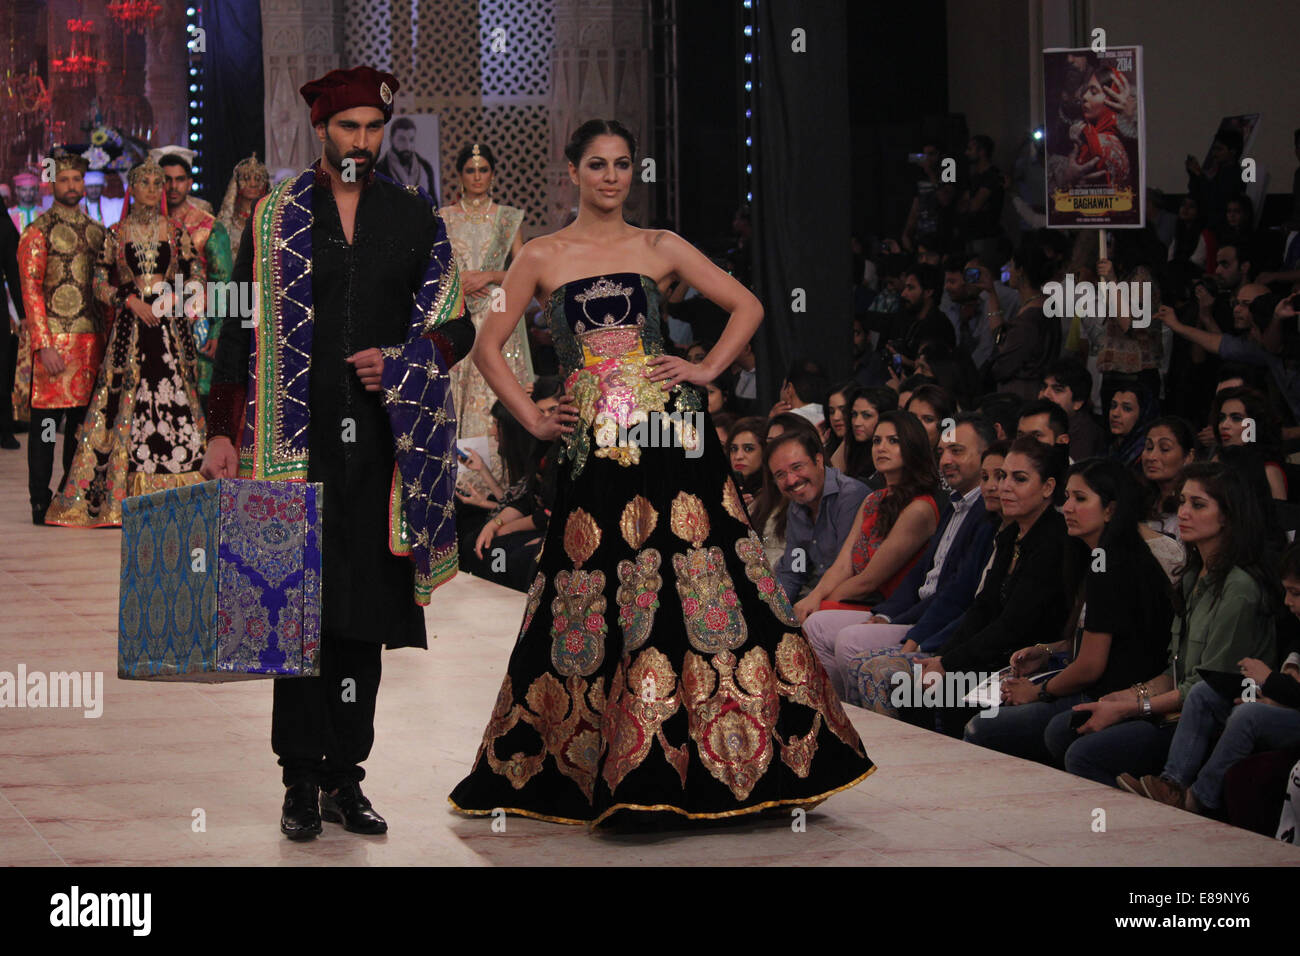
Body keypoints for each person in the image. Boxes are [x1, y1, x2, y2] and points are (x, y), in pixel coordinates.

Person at [448, 119, 873, 826]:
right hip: (596, 448)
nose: (611, 176)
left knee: (703, 584)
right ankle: (617, 763)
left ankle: (728, 758)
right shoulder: (542, 254)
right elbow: (490, 342)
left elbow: (749, 306)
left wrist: (705, 369)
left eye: (622, 165)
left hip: (673, 438)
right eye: (597, 165)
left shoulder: (661, 246)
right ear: (573, 174)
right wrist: (529, 415)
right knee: (598, 590)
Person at [202, 66, 478, 840]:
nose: (361, 140)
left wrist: (405, 360)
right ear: (321, 129)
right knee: (295, 616)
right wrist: (222, 427)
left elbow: (459, 328)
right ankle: (298, 779)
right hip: (293, 446)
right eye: (347, 127)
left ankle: (345, 779)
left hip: (385, 452)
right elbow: (237, 327)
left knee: (361, 618)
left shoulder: (412, 217)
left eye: (373, 128)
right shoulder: (276, 219)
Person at [1052, 463, 1277, 787]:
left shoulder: (1239, 588)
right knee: (1065, 728)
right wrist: (1129, 696)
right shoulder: (1192, 576)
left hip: (1206, 724)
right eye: (1182, 502)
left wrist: (1134, 706)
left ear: (1228, 516)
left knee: (1083, 752)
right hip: (1169, 710)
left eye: (1197, 505)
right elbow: (1174, 669)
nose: (1183, 513)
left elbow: (1207, 690)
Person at [964, 459, 1173, 763]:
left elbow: (1091, 666)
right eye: (1067, 498)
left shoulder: (1112, 565)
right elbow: (1100, 638)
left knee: (983, 727)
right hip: (1098, 687)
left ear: (1110, 510)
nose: (1068, 508)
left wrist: (1038, 692)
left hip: (1112, 696)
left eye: (1081, 499)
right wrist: (1048, 650)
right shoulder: (1104, 556)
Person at [43, 159, 205, 528]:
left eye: (157, 182)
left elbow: (196, 276)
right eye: (145, 182)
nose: (153, 188)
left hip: (167, 328)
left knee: (173, 399)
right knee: (120, 402)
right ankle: (118, 496)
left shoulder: (176, 231)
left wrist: (172, 299)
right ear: (133, 187)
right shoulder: (116, 234)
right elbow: (97, 282)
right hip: (130, 330)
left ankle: (181, 491)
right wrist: (128, 299)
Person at [806, 413, 996, 699]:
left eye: (893, 441)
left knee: (843, 636)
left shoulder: (934, 508)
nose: (946, 460)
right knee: (816, 623)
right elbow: (845, 562)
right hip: (902, 607)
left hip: (919, 613)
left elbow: (951, 590)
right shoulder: (881, 499)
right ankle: (836, 713)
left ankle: (850, 719)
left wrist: (895, 620)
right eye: (942, 452)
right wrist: (817, 600)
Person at [1119, 542, 1300, 817]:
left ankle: (1196, 799)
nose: (1288, 602)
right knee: (1205, 692)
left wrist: (1270, 681)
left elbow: (1284, 686)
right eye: (1287, 592)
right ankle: (1172, 783)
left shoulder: (1241, 588)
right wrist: (1271, 688)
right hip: (1279, 697)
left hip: (1286, 704)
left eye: (1295, 593)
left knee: (1248, 715)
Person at [16, 152, 108, 523]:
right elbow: (30, 290)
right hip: (55, 349)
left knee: (81, 429)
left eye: (77, 179)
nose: (72, 185)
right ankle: (40, 499)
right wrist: (44, 344)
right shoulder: (38, 231)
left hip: (91, 347)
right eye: (65, 179)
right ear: (53, 183)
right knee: (47, 429)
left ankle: (70, 496)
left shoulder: (96, 231)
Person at [795, 411, 940, 621]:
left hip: (889, 610)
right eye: (877, 441)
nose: (881, 448)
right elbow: (843, 565)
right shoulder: (872, 500)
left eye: (893, 441)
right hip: (856, 600)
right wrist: (814, 596)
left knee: (814, 618)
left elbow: (869, 581)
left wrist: (822, 603)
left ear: (913, 447)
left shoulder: (919, 509)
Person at [441, 142, 532, 447]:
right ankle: (461, 483)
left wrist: (490, 275)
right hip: (457, 316)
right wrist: (458, 280)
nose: (477, 176)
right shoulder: (444, 217)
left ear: (493, 175)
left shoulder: (508, 219)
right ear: (460, 175)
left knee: (494, 396)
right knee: (456, 397)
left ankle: (497, 481)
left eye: (483, 170)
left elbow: (525, 273)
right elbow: (431, 274)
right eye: (470, 170)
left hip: (497, 316)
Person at [769, 427, 871, 602]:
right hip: (814, 598)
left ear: (818, 460)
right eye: (780, 475)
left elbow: (846, 569)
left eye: (797, 467)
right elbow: (795, 570)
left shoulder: (850, 496)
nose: (791, 480)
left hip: (852, 600)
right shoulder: (796, 507)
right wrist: (778, 611)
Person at [201, 155, 271, 404]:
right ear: (236, 184)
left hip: (265, 303)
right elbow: (216, 276)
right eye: (246, 178)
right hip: (232, 304)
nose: (252, 184)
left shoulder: (272, 224)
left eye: (257, 179)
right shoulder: (222, 227)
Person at [990, 232, 1061, 400]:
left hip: (1021, 396)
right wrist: (991, 293)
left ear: (1021, 271)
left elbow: (1004, 364)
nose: (1009, 270)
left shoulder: (1029, 320)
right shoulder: (1045, 304)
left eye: (1012, 266)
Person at [1139, 416, 1196, 539]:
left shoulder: (1193, 505)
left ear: (1188, 457)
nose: (1151, 457)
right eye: (1149, 447)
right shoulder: (1139, 500)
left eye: (1164, 448)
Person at [1039, 357, 1106, 460]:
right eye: (1044, 387)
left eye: (1057, 390)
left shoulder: (1085, 434)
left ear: (1078, 402)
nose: (1046, 394)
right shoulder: (1036, 419)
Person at [0, 190, 23, 449]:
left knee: (3, 366)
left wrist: (24, 314)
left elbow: (14, 275)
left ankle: (5, 428)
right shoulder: (6, 226)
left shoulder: (5, 227)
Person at [375, 116, 437, 194]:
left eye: (411, 140)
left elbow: (434, 203)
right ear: (391, 139)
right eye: (402, 140)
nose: (407, 146)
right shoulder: (378, 171)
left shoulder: (426, 168)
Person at [1104, 380, 1156, 467]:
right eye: (1113, 406)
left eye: (1127, 408)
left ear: (1142, 414)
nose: (1115, 413)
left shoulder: (1146, 455)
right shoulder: (1109, 447)